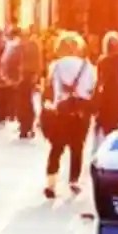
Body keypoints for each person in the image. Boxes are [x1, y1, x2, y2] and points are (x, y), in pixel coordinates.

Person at [42, 33, 96, 199]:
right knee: (77, 147)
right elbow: (90, 89)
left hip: (60, 111)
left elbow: (50, 87)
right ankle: (74, 180)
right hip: (80, 112)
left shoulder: (55, 66)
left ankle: (51, 183)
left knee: (56, 147)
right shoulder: (88, 67)